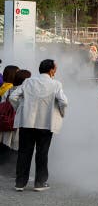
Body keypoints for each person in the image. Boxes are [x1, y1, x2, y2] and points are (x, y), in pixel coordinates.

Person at [10, 59, 68, 191]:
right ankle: (40, 183)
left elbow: (13, 97)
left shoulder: (28, 81)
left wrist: (20, 109)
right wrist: (60, 113)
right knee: (42, 152)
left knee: (24, 152)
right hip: (46, 123)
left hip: (27, 122)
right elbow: (63, 102)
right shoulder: (56, 84)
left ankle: (20, 183)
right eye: (55, 68)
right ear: (51, 70)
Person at [0, 69, 32, 162]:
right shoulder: (24, 91)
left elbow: (2, 104)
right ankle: (12, 169)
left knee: (5, 145)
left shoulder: (8, 90)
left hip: (5, 122)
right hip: (16, 123)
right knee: (16, 146)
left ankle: (3, 168)